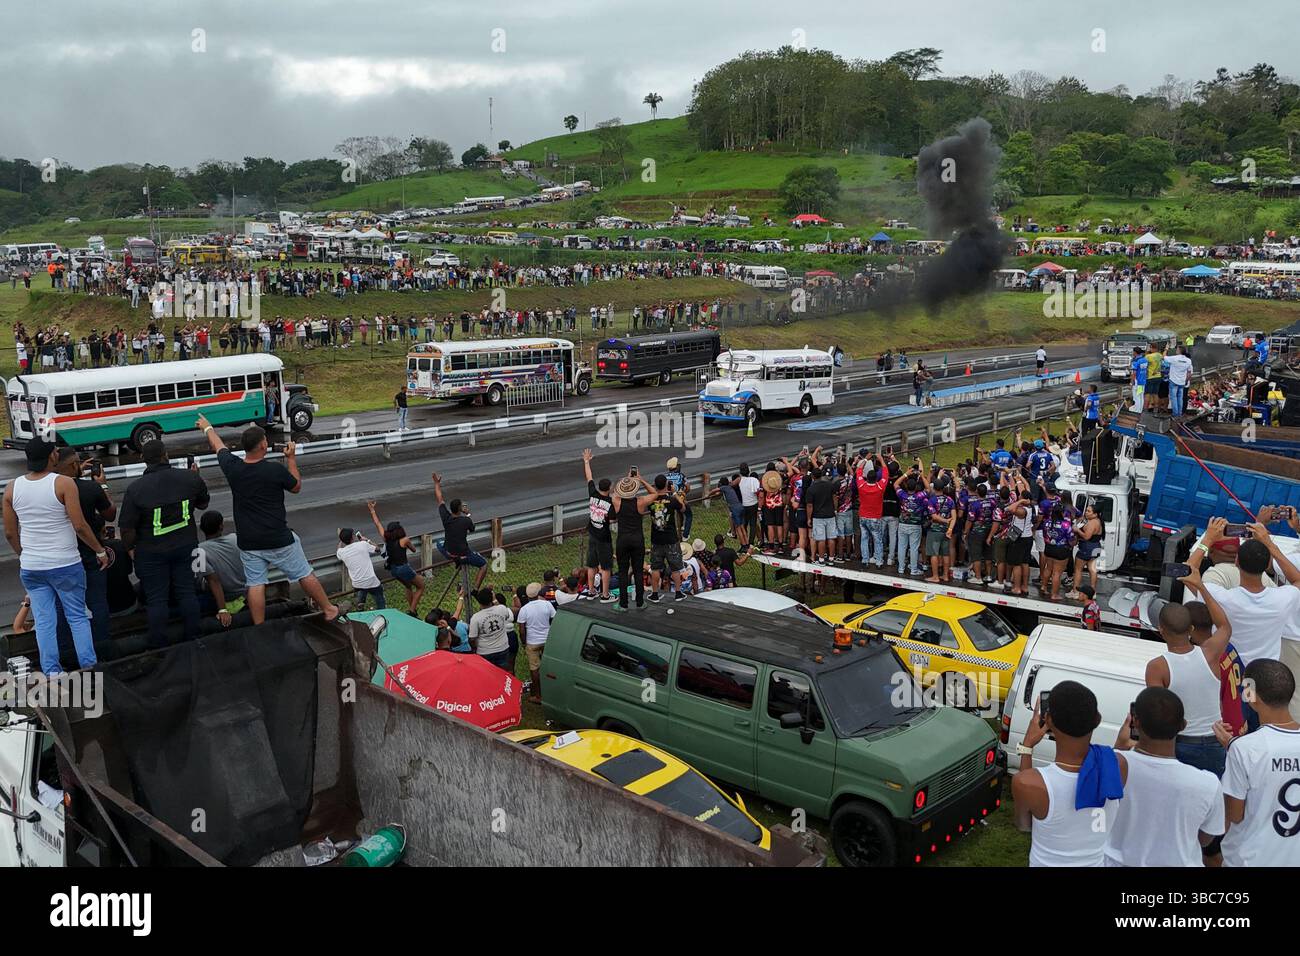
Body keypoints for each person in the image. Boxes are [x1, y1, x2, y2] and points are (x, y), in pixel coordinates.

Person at [197, 414, 342, 625]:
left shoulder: (233, 468)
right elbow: (296, 486)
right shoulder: (274, 470)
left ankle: (260, 627)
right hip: (278, 537)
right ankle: (329, 609)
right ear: (263, 446)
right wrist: (291, 459)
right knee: (303, 573)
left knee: (255, 584)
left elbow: (218, 446)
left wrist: (207, 427)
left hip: (248, 541)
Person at [2, 438, 109, 674]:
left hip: (31, 567)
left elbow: (10, 532)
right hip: (65, 564)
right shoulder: (63, 484)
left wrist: (25, 554)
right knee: (77, 617)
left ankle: (52, 673)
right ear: (52, 456)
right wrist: (99, 551)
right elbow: (79, 525)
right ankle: (89, 669)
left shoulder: (12, 487)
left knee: (44, 622)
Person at [1189, 517, 1300, 730]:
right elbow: (1297, 580)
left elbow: (1187, 571)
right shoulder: (1281, 599)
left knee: (1230, 722)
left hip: (1229, 673)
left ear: (1237, 562)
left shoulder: (1224, 598)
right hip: (1262, 679)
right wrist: (1270, 545)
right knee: (1255, 724)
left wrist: (1208, 538)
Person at [1013, 680, 1127, 867]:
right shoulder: (1118, 765)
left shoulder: (1027, 783)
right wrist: (1121, 745)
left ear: (1048, 720)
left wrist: (1027, 747)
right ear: (1097, 719)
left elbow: (1024, 825)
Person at [1106, 687, 1225, 867]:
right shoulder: (1208, 783)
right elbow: (1205, 839)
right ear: (1183, 725)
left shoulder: (1113, 766)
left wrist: (1119, 746)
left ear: (1135, 722)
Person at [118, 439, 210, 647]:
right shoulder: (190, 478)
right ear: (165, 455)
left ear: (143, 460)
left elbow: (126, 529)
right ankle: (194, 640)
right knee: (187, 593)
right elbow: (203, 504)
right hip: (186, 547)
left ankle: (158, 647)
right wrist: (196, 479)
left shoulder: (136, 489)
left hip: (151, 554)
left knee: (156, 600)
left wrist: (131, 549)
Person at [1148, 566, 1232, 776]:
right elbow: (1224, 626)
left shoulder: (1158, 667)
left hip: (1181, 744)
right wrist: (1200, 587)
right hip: (1215, 741)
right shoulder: (1209, 653)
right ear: (1191, 629)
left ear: (1161, 630)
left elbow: (1158, 715)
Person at [1217, 659, 1300, 866]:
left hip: (1250, 859)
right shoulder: (1244, 747)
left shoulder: (1244, 748)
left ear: (1251, 695)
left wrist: (1236, 747)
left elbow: (1234, 815)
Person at [53, 450, 115, 646]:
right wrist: (102, 484)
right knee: (98, 603)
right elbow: (110, 514)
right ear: (73, 466)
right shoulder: (90, 488)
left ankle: (66, 650)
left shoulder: (47, 490)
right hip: (89, 554)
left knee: (62, 607)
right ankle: (103, 647)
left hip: (60, 557)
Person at [609, 473, 661, 611]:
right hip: (637, 539)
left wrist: (622, 480)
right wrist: (641, 479)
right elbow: (655, 493)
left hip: (623, 540)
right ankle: (640, 602)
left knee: (622, 572)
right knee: (638, 571)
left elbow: (613, 492)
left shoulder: (617, 501)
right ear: (635, 489)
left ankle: (623, 604)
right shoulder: (640, 501)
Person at [432, 473, 488, 588]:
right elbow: (472, 529)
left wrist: (437, 483)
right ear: (460, 509)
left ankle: (456, 560)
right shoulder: (466, 520)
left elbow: (440, 498)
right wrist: (467, 514)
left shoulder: (446, 517)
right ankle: (475, 588)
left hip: (449, 552)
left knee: (439, 542)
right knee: (484, 565)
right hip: (464, 554)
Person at [368, 500, 424, 614]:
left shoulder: (386, 539)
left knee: (408, 587)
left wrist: (372, 510)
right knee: (421, 586)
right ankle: (412, 610)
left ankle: (412, 608)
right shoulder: (404, 540)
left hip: (393, 570)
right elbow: (413, 550)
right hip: (403, 567)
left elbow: (378, 524)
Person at [194, 510, 246, 624]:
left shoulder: (198, 551)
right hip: (246, 594)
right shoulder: (235, 538)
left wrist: (222, 609)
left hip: (222, 599)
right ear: (221, 526)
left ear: (201, 528)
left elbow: (203, 582)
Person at [580, 449, 616, 603]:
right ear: (609, 489)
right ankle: (605, 594)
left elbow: (589, 477)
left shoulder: (593, 493)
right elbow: (613, 519)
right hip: (604, 538)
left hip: (592, 534)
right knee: (606, 567)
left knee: (591, 564)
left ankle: (591, 590)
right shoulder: (609, 503)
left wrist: (586, 461)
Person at [647, 474, 685, 601]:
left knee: (655, 568)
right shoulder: (672, 500)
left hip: (656, 539)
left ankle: (655, 593)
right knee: (675, 567)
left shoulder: (651, 500)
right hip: (671, 539)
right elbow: (683, 508)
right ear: (666, 485)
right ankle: (678, 593)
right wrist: (674, 493)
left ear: (655, 485)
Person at [517, 582, 556, 703]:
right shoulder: (547, 605)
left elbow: (522, 630)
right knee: (548, 666)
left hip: (532, 642)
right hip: (546, 639)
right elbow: (554, 619)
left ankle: (538, 695)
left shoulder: (524, 609)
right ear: (539, 593)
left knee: (534, 669)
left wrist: (524, 643)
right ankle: (551, 691)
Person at [337, 526, 385, 610]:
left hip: (356, 583)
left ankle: (360, 606)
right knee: (380, 598)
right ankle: (383, 611)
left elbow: (338, 549)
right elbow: (377, 549)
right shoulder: (363, 544)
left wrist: (341, 539)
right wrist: (367, 540)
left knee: (361, 589)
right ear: (352, 537)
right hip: (371, 581)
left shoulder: (341, 552)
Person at [468, 587, 513, 670]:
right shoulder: (502, 608)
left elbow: (472, 638)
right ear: (492, 598)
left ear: (479, 601)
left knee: (488, 676)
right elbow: (507, 615)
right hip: (502, 647)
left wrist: (474, 648)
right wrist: (494, 600)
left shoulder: (476, 617)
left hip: (484, 651)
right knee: (503, 675)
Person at [665, 457, 692, 540]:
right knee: (689, 515)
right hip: (680, 500)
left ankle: (675, 532)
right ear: (676, 467)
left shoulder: (665, 477)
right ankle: (685, 535)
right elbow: (688, 487)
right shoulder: (681, 475)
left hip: (669, 501)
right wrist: (684, 493)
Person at [1166, 345, 1194, 417]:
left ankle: (1175, 413)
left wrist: (1166, 349)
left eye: (1177, 349)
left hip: (1173, 380)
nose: (1176, 350)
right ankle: (1180, 413)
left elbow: (1164, 357)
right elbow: (1189, 372)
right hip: (1182, 382)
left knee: (1173, 398)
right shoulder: (1188, 360)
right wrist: (1186, 381)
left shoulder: (1174, 358)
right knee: (1180, 398)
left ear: (1179, 351)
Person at [1130, 346, 1148, 412]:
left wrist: (1132, 382)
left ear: (1135, 352)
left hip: (1137, 381)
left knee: (1136, 396)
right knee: (1140, 396)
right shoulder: (1145, 359)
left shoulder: (1136, 361)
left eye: (1133, 352)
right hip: (1142, 381)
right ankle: (1140, 410)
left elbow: (1134, 373)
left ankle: (1136, 411)